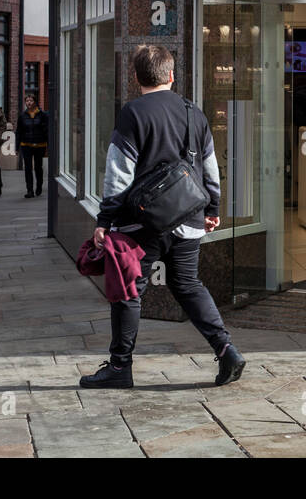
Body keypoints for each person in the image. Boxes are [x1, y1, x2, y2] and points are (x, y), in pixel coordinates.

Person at [80, 44, 245, 390]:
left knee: (129, 291)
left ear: (137, 78)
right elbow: (211, 168)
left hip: (141, 224)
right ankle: (226, 349)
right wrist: (211, 209)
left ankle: (120, 367)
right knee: (187, 285)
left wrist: (104, 219)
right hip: (188, 218)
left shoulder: (133, 113)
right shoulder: (194, 113)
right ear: (171, 75)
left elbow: (119, 172)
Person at [16, 93, 49, 197]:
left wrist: (49, 146)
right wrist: (16, 147)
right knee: (28, 168)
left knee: (38, 167)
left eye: (31, 100)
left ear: (35, 102)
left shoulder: (42, 115)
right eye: (27, 101)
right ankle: (29, 190)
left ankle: (39, 186)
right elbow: (19, 132)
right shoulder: (22, 116)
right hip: (26, 145)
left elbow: (47, 131)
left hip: (40, 145)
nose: (29, 102)